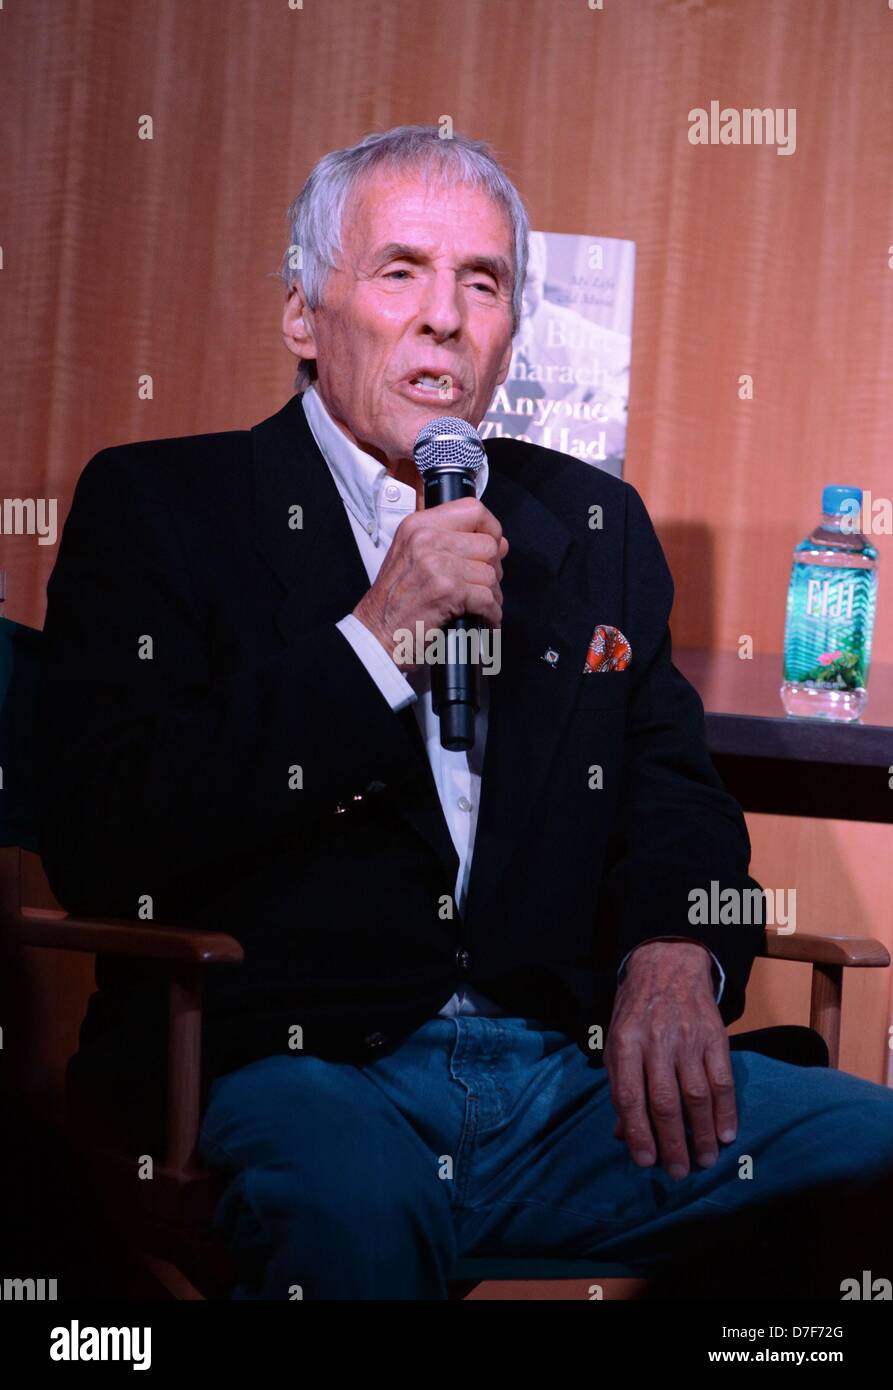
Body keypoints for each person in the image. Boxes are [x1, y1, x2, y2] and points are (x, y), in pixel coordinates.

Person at [35, 125, 893, 1300]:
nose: (443, 315)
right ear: (302, 314)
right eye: (400, 271)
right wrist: (376, 638)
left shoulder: (591, 526)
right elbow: (103, 833)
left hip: (562, 1083)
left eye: (480, 282)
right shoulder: (163, 506)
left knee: (866, 1158)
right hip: (295, 1067)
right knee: (345, 1210)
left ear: (503, 333)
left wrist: (674, 948)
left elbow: (674, 800)